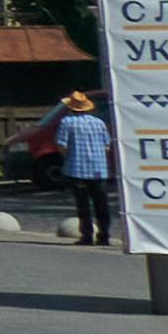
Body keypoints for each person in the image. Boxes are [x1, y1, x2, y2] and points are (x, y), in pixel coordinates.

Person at [48, 90, 118, 246]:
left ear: (71, 107)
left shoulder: (67, 122)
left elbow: (61, 145)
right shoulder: (98, 122)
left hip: (76, 168)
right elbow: (107, 146)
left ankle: (87, 236)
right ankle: (104, 235)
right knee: (101, 204)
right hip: (99, 169)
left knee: (83, 205)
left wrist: (68, 157)